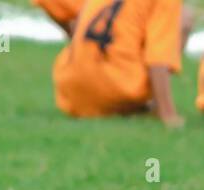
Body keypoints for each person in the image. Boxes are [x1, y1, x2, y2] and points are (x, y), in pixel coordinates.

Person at [52, 0, 186, 125]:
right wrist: (168, 115)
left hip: (71, 91)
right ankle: (151, 105)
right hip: (118, 88)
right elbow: (158, 59)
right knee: (184, 19)